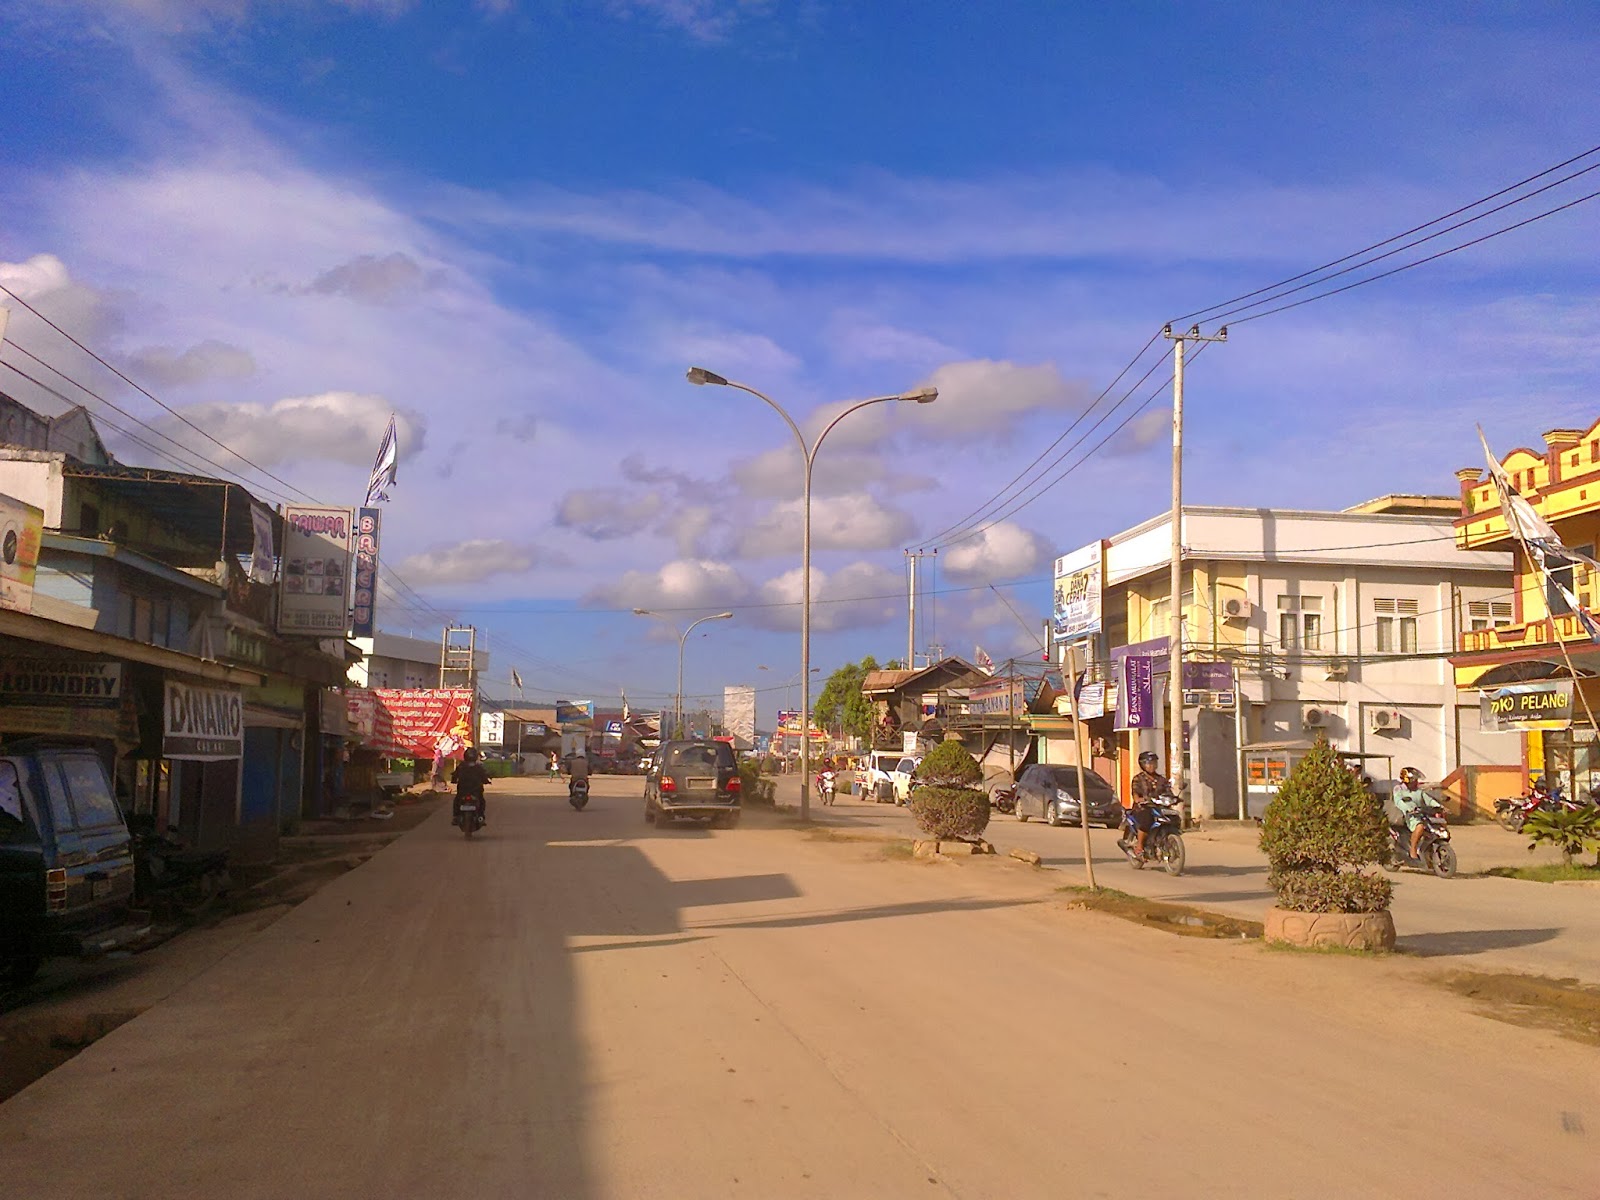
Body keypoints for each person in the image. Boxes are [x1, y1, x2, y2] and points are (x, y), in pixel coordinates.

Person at [1125, 750, 1170, 858]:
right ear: (1142, 764)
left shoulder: (1161, 779)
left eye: (1154, 763)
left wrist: (1174, 798)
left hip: (1159, 807)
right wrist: (1139, 799)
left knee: (1173, 817)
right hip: (1143, 808)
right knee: (1146, 820)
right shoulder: (1138, 779)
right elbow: (1135, 794)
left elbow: (1168, 792)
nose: (1152, 766)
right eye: (1149, 763)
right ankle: (1139, 846)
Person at [1392, 766, 1432, 860]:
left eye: (1416, 780)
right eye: (1414, 780)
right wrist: (1408, 809)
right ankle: (1413, 850)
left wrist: (1441, 807)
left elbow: (1428, 800)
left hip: (1420, 814)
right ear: (1407, 780)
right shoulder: (1399, 789)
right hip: (1408, 816)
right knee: (1420, 826)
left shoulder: (1418, 791)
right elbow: (1398, 801)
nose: (1416, 782)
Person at [453, 747, 490, 826]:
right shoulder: (478, 767)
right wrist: (486, 781)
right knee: (481, 801)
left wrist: (454, 780)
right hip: (476, 790)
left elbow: (454, 775)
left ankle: (455, 817)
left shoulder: (461, 766)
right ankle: (480, 817)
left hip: (463, 790)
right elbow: (484, 777)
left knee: (457, 800)